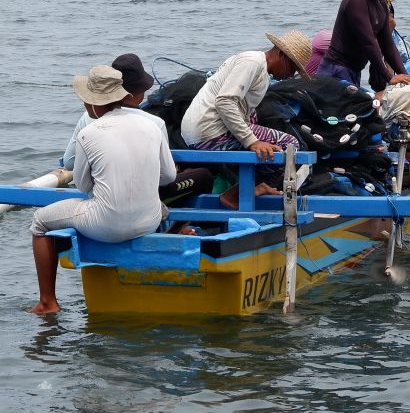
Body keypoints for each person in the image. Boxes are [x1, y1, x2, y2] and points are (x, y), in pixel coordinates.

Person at [30, 65, 177, 314]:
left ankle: (47, 302)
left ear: (94, 104)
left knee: (39, 223)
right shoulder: (153, 126)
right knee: (158, 207)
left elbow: (84, 186)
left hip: (107, 225)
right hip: (150, 220)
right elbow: (169, 176)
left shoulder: (88, 134)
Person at [180, 31, 312, 209]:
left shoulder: (261, 71)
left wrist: (257, 138)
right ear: (282, 54)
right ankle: (235, 195)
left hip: (204, 131)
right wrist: (252, 141)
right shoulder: (252, 62)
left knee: (268, 139)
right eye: (293, 68)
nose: (291, 75)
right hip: (209, 132)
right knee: (289, 144)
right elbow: (224, 101)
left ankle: (252, 187)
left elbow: (242, 111)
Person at [61, 54, 211, 206]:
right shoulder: (154, 123)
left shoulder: (88, 118)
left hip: (99, 194)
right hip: (142, 200)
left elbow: (69, 163)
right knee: (204, 175)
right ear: (137, 94)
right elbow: (166, 176)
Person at [316, 0, 410, 96]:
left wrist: (406, 76)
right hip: (336, 69)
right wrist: (389, 77)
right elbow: (368, 42)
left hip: (354, 71)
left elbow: (388, 45)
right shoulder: (356, 0)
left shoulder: (381, 4)